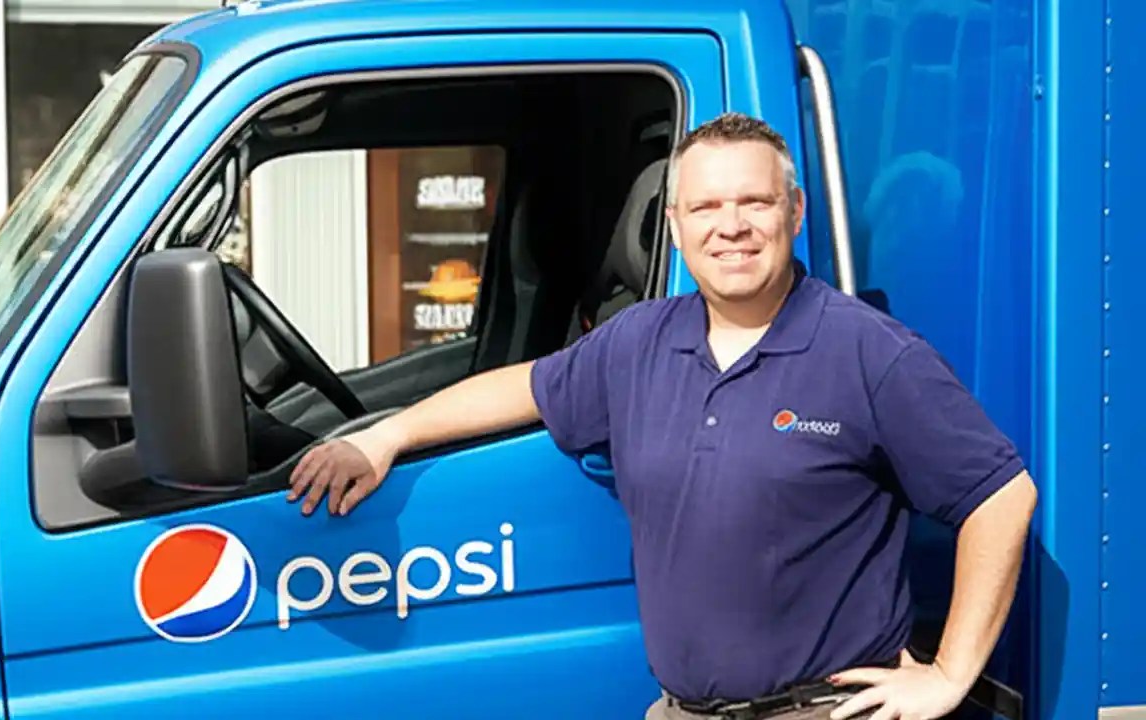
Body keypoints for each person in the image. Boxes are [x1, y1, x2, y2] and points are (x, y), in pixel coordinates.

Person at [286, 112, 1037, 720]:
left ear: (796, 212)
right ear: (675, 225)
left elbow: (1000, 495)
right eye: (707, 207)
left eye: (755, 202)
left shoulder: (869, 352)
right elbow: (523, 387)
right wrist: (385, 435)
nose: (731, 226)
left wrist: (947, 676)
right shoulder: (642, 340)